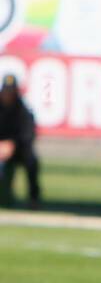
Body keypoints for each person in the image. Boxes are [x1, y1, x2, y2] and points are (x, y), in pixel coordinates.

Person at [0, 74, 40, 209]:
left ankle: (34, 199)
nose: (8, 95)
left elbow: (29, 134)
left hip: (18, 150)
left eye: (11, 92)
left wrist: (13, 144)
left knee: (31, 160)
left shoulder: (23, 110)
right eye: (6, 91)